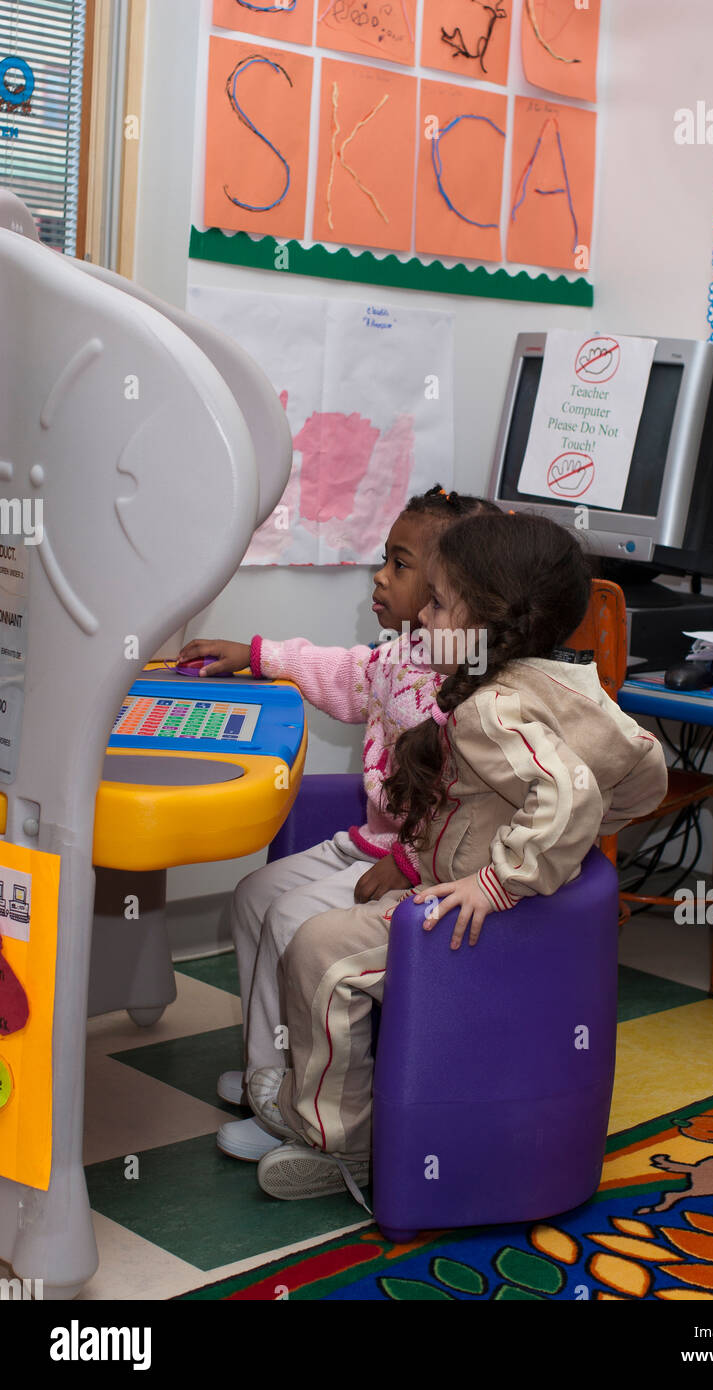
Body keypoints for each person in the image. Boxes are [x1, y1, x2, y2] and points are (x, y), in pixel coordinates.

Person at [245, 510, 669, 1202]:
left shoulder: (487, 712)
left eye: (438, 603)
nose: (424, 617)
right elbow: (643, 770)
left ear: (487, 620)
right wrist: (570, 853)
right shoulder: (564, 687)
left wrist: (505, 881)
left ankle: (331, 1134)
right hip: (487, 896)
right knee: (325, 935)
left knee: (319, 953)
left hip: (476, 911)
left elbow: (571, 790)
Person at [177, 486, 498, 1161]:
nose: (381, 576)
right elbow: (343, 671)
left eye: (401, 565)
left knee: (296, 921)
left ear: (458, 591)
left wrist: (409, 866)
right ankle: (276, 1075)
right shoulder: (399, 657)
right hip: (376, 844)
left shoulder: (474, 690)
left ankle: (306, 1108)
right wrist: (259, 653)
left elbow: (472, 809)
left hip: (428, 868)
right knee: (255, 896)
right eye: (386, 558)